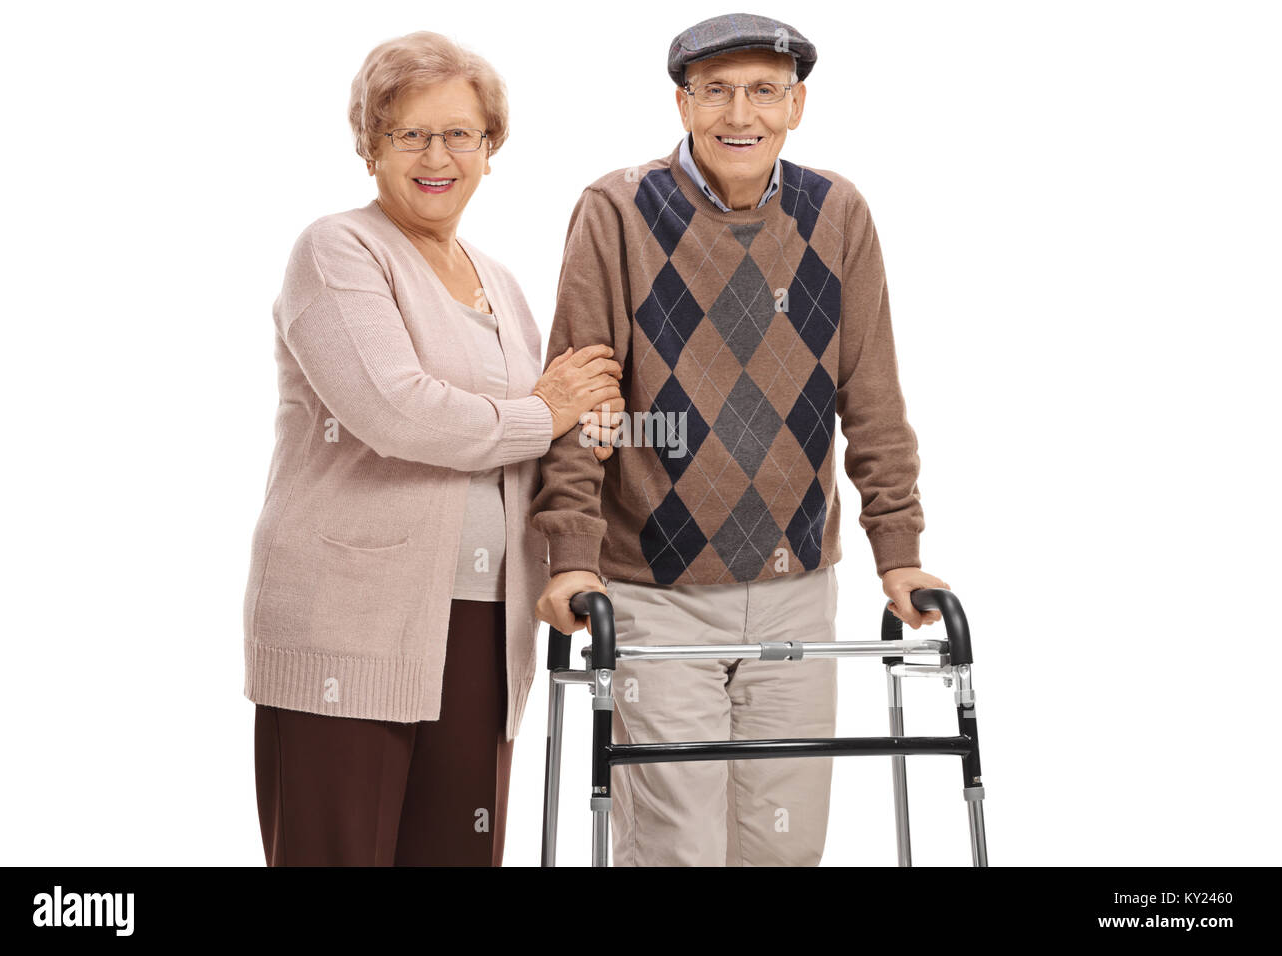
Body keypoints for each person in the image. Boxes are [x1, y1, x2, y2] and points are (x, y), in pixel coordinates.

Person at [530, 13, 950, 866]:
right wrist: (570, 551)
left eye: (765, 91)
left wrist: (897, 550)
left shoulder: (835, 213)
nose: (740, 112)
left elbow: (870, 395)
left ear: (797, 105)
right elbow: (582, 399)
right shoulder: (617, 210)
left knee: (781, 848)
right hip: (655, 586)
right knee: (678, 846)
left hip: (797, 583)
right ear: (682, 103)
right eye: (716, 90)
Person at [242, 30, 622, 866]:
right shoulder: (338, 250)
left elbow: (543, 433)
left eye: (460, 134)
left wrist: (590, 420)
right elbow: (397, 411)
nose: (436, 155)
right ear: (370, 147)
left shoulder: (503, 283)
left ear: (491, 149)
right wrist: (547, 409)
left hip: (486, 627)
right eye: (409, 133)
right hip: (349, 627)